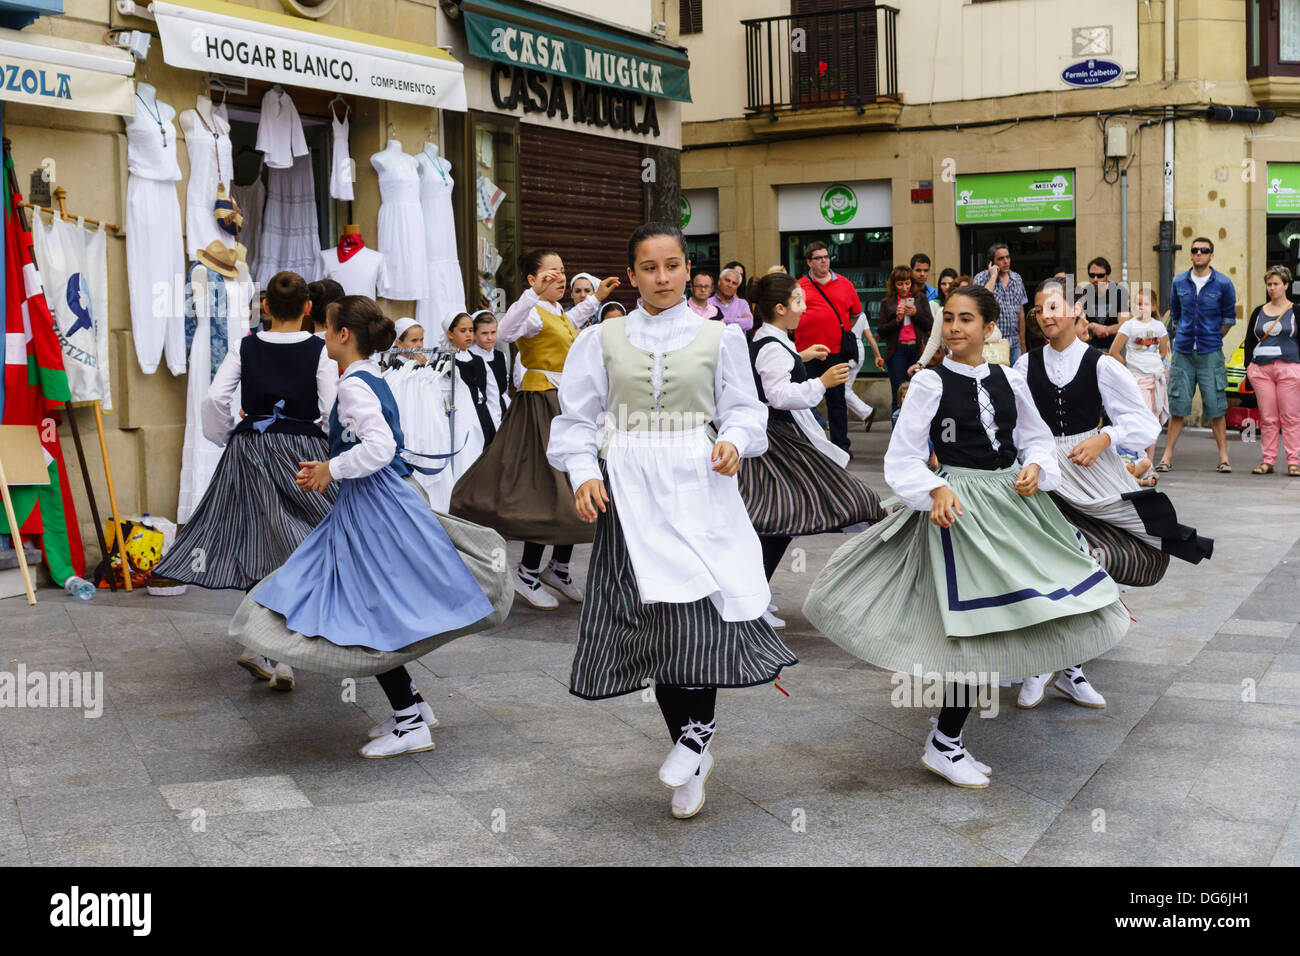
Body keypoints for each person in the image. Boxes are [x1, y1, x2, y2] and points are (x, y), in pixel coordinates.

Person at [803, 284, 1130, 788]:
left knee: (1029, 607)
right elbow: (903, 457)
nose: (955, 328)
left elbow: (1035, 436)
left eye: (965, 320)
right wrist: (934, 489)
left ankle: (967, 722)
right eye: (949, 319)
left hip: (1011, 504)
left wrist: (1037, 466)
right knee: (976, 628)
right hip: (958, 509)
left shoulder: (1009, 378)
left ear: (988, 327)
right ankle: (946, 741)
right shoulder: (931, 383)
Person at [549, 222, 796, 820]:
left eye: (672, 265)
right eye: (649, 268)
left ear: (689, 270)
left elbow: (745, 411)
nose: (662, 278)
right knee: (654, 629)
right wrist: (583, 473)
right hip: (629, 488)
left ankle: (696, 735)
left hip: (696, 482)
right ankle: (689, 743)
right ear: (631, 275)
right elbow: (576, 422)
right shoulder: (600, 340)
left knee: (698, 623)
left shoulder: (720, 338)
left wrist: (735, 440)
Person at [227, 295, 510, 758]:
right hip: (374, 504)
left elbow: (378, 447)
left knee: (368, 611)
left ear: (343, 336)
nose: (321, 335)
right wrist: (331, 464)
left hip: (373, 508)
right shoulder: (366, 376)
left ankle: (411, 720)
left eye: (327, 328)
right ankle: (413, 708)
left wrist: (330, 470)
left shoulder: (354, 385)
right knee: (370, 607)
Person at [1014, 277, 1211, 709]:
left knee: (1091, 563)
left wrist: (1106, 437)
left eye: (1053, 307)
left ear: (1075, 312)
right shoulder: (1024, 367)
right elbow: (1016, 425)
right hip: (1044, 468)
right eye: (1039, 310)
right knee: (1045, 564)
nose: (1046, 316)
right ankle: (1045, 662)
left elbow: (1143, 423)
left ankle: (1071, 666)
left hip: (1091, 470)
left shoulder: (1101, 364)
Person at [151, 270, 339, 691]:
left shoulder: (246, 345)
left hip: (250, 447)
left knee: (258, 541)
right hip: (302, 453)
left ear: (265, 306)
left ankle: (264, 647)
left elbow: (216, 398)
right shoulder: (320, 351)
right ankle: (281, 652)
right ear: (309, 308)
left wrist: (225, 436)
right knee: (304, 546)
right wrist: (329, 451)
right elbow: (331, 407)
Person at [450, 250, 618, 609]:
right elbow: (507, 331)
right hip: (540, 405)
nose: (559, 276)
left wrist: (596, 299)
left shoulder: (554, 311)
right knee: (548, 490)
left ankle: (558, 566)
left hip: (563, 402)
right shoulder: (531, 312)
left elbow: (567, 324)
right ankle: (527, 572)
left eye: (561, 270)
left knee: (574, 483)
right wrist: (530, 296)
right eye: (551, 272)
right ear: (532, 279)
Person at [739, 272, 885, 629]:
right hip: (779, 443)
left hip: (780, 440)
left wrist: (800, 356)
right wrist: (820, 381)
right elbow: (779, 395)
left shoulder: (770, 340)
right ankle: (751, 599)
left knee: (776, 522)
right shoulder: (773, 345)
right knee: (778, 521)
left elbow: (771, 370)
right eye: (799, 301)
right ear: (780, 308)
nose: (804, 308)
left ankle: (754, 595)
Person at [1158, 237, 1236, 473]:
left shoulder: (1223, 283)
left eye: (1204, 250)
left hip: (1210, 352)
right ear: (1191, 255)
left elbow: (1228, 319)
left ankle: (1223, 457)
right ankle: (1166, 456)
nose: (1199, 253)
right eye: (1195, 250)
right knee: (1178, 405)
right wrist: (1185, 334)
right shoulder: (1179, 281)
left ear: (1211, 254)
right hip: (1183, 352)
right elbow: (1177, 314)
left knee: (1216, 406)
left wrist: (1211, 337)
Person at [796, 240, 883, 451]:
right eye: (818, 258)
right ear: (809, 262)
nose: (824, 261)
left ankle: (841, 446)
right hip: (806, 352)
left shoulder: (845, 284)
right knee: (802, 401)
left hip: (835, 351)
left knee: (837, 400)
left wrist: (837, 327)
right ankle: (807, 445)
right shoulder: (799, 286)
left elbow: (855, 315)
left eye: (826, 257)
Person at [1244, 265, 1300, 476]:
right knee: (1268, 418)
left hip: (1289, 368)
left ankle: (1293, 461)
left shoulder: (1296, 311)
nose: (1272, 288)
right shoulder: (1259, 311)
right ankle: (1268, 460)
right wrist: (1249, 366)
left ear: (1286, 285)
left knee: (1291, 417)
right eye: (1269, 284)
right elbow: (1250, 340)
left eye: (1276, 284)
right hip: (1261, 369)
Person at [1109, 287, 1170, 474]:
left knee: (1153, 420)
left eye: (1145, 304)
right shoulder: (1128, 326)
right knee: (1139, 420)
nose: (1141, 307)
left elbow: (1162, 352)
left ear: (1153, 306)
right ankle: (1136, 460)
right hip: (1136, 381)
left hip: (1155, 380)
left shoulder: (1159, 327)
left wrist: (1152, 367)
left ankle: (1148, 463)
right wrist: (1130, 367)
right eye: (1137, 304)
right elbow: (1114, 351)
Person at [878, 264, 933, 414]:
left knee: (919, 391)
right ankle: (897, 430)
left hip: (917, 349)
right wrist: (896, 320)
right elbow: (881, 331)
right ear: (894, 284)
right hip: (897, 351)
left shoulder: (920, 298)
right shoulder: (887, 302)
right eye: (900, 283)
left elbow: (930, 325)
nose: (904, 287)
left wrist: (916, 313)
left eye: (907, 283)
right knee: (898, 391)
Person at [972, 243, 1028, 365]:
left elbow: (1021, 311)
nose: (1006, 261)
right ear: (992, 262)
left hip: (1014, 343)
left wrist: (1023, 343)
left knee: (1017, 380)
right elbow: (981, 300)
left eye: (1007, 257)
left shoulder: (1017, 279)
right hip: (992, 344)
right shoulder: (981, 278)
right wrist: (993, 277)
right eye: (1001, 258)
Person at [469, 310, 509, 436]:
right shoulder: (471, 357)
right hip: (481, 412)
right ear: (474, 334)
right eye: (484, 333)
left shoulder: (501, 356)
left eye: (493, 332)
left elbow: (504, 385)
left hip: (501, 408)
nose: (490, 337)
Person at [1080, 256, 1129, 353]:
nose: (1095, 279)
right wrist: (1093, 326)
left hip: (1115, 349)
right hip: (1091, 348)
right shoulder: (1084, 293)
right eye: (1092, 275)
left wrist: (1105, 329)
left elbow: (1124, 324)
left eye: (1100, 275)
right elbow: (1080, 322)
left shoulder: (1119, 292)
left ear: (1107, 276)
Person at [708, 266, 753, 330]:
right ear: (719, 282)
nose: (730, 285)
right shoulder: (708, 303)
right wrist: (740, 320)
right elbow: (709, 325)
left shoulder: (742, 304)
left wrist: (721, 321)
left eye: (734, 283)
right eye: (727, 280)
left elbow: (749, 324)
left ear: (737, 287)